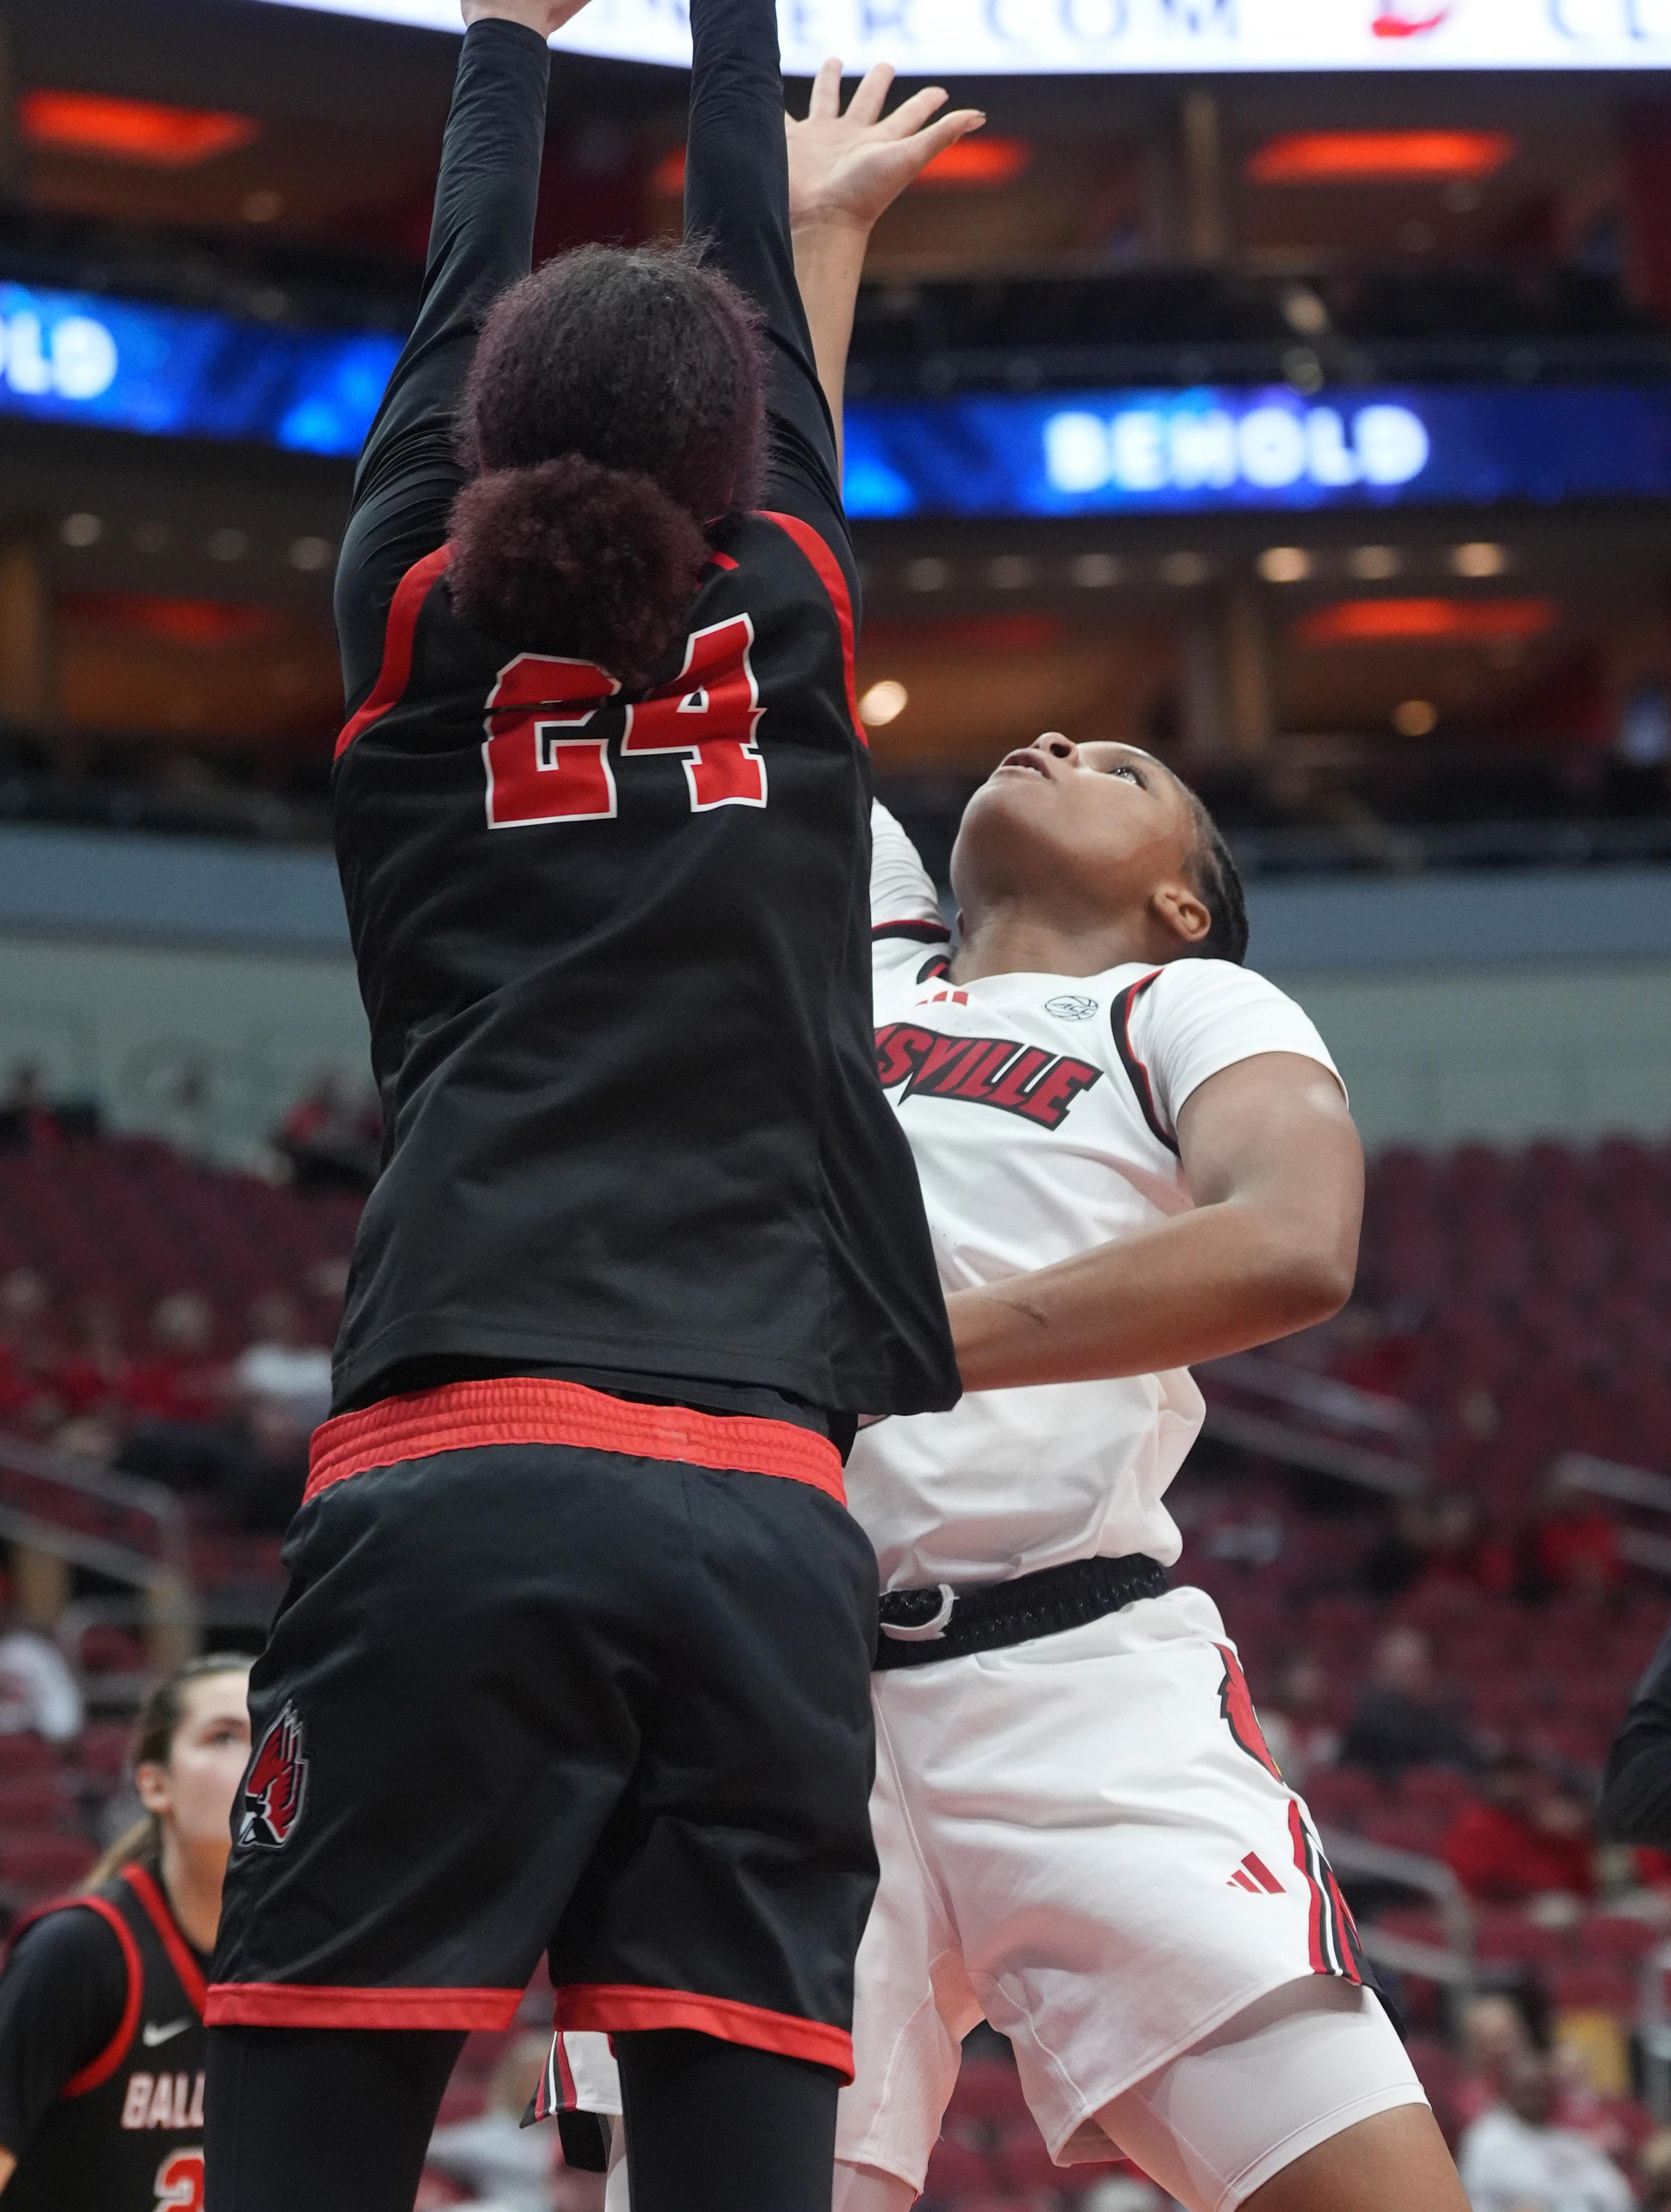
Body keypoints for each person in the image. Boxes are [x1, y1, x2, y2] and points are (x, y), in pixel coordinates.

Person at [204, 5, 975, 2211]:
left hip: (464, 1460)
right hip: (760, 1508)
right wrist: (717, 39)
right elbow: (738, 266)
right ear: (740, 452)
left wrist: (500, 49)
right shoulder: (797, 611)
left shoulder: (409, 613)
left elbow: (448, 330)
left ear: (488, 449)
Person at [558, 737, 1468, 2211]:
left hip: (1073, 1678)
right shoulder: (853, 967)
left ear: (1184, 897)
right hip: (754, 1703)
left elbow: (1294, 1241)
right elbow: (759, 690)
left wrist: (883, 1344)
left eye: (1123, 765)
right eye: (1044, 742)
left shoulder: (1182, 1000)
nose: (1050, 745)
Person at [0, 1655, 251, 2209]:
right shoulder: (79, 1953)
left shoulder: (302, 1959)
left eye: (271, 1737)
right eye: (225, 1736)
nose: (257, 1761)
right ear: (155, 1784)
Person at [1456, 2051, 1633, 2212]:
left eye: (1538, 2090)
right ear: (1506, 2092)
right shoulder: (1485, 2139)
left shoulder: (1567, 2139)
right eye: (1525, 2091)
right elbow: (1471, 2200)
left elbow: (1617, 2196)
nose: (1534, 2099)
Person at [1339, 1625, 1481, 1781]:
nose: (1406, 1677)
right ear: (1380, 1670)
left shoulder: (1445, 1724)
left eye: (1414, 1668)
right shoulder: (1365, 1730)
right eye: (1398, 1668)